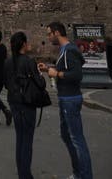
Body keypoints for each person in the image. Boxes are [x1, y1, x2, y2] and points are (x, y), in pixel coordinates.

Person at [38, 21, 93, 179]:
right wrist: (48, 69)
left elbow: (76, 75)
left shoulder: (69, 50)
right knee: (66, 135)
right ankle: (78, 172)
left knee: (76, 139)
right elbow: (66, 70)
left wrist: (57, 74)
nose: (48, 37)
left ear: (56, 33)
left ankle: (85, 175)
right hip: (65, 97)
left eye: (49, 34)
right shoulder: (64, 50)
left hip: (70, 98)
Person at [4, 30, 41, 179]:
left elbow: (6, 83)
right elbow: (40, 83)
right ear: (24, 44)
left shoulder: (8, 61)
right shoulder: (29, 61)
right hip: (26, 103)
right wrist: (39, 73)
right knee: (27, 140)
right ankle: (25, 175)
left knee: (20, 138)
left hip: (13, 101)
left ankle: (22, 173)